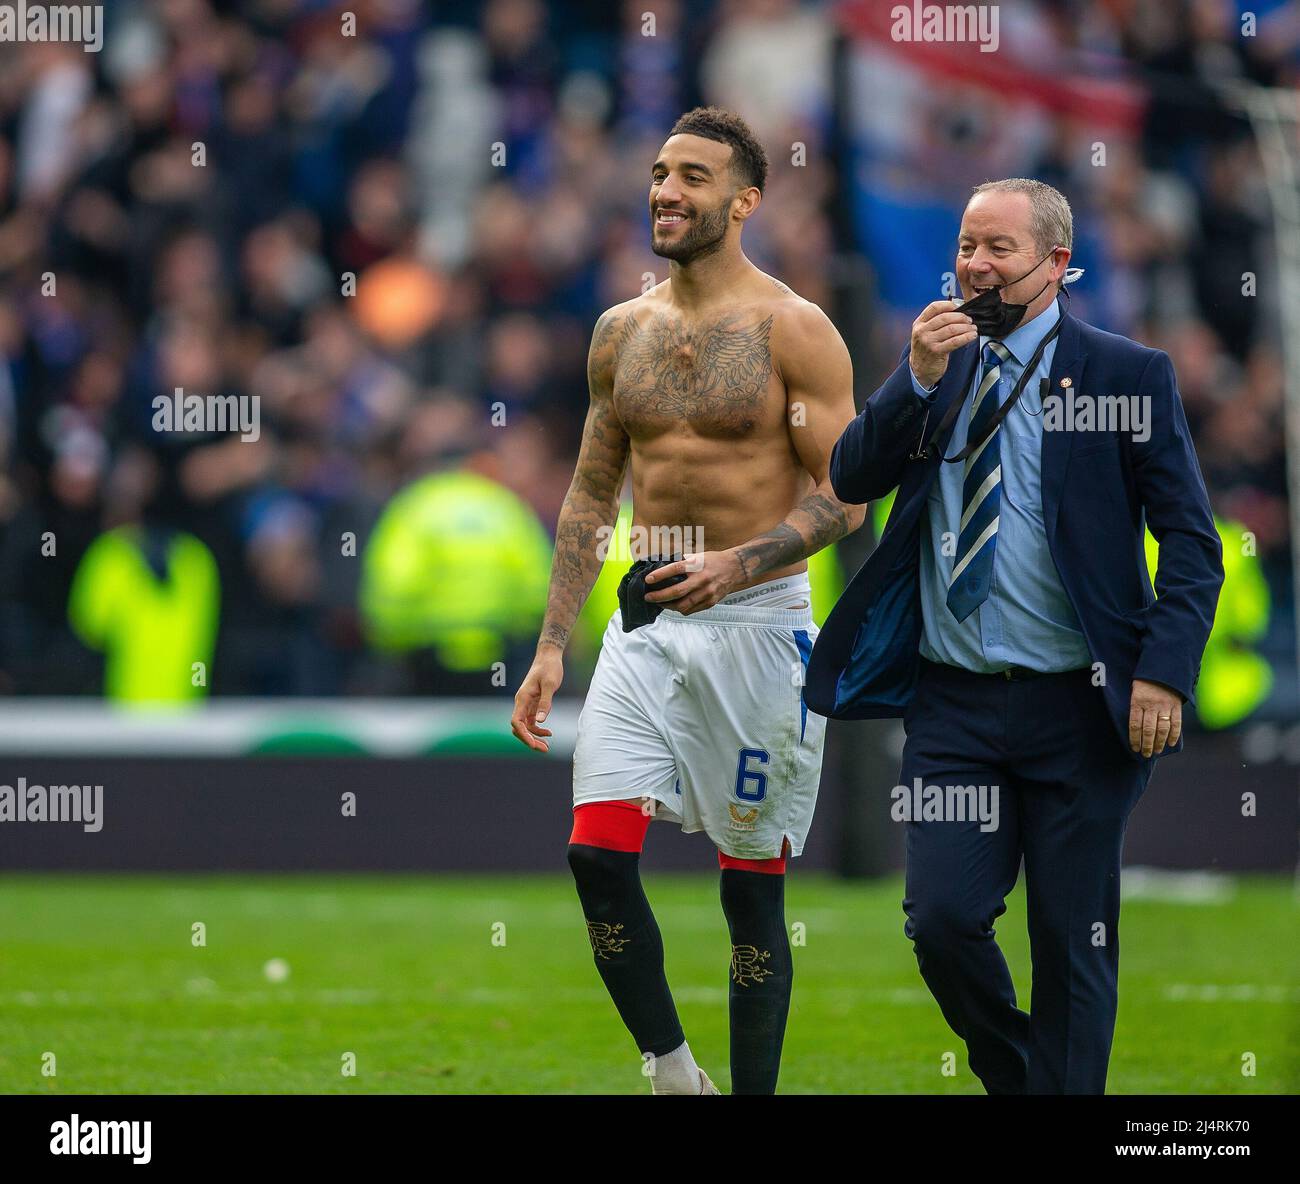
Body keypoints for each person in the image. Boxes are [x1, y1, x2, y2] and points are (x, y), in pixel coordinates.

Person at [805, 178, 1224, 1094]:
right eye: (965, 247)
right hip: (953, 706)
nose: (975, 266)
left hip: (1080, 707)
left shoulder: (1125, 375)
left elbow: (1193, 543)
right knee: (944, 922)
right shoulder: (934, 360)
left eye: (998, 249)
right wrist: (909, 377)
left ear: (1057, 266)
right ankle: (1027, 1076)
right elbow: (852, 473)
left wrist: (1163, 672)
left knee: (1072, 945)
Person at [511, 106, 864, 1095]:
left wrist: (740, 564)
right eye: (660, 173)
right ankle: (671, 1070)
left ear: (746, 200)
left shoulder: (795, 329)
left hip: (758, 631)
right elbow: (589, 494)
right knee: (595, 855)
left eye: (693, 177)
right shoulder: (619, 331)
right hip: (644, 620)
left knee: (750, 899)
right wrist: (549, 646)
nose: (665, 190)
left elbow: (845, 493)